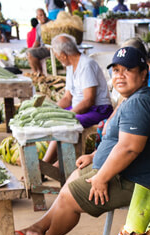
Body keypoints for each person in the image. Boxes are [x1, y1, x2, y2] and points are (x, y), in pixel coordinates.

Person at [15, 46, 150, 235]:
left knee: (70, 197)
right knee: (73, 179)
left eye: (128, 70)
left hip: (137, 180)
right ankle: (38, 229)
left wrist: (102, 178)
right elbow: (117, 141)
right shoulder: (134, 98)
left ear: (143, 74)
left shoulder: (139, 104)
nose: (120, 76)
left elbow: (129, 149)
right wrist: (94, 156)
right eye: (116, 70)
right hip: (124, 171)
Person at [41, 34, 114, 164]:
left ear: (63, 55)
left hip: (98, 110)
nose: (58, 59)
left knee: (65, 124)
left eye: (57, 56)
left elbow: (88, 100)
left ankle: (45, 165)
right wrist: (51, 110)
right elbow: (67, 98)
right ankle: (56, 163)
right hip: (82, 109)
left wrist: (69, 115)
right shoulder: (70, 66)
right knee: (54, 121)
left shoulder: (86, 65)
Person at [26, 9, 51, 74]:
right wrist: (31, 48)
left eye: (44, 14)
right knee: (29, 52)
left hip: (49, 48)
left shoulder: (51, 23)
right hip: (42, 48)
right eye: (41, 15)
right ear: (37, 17)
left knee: (32, 53)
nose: (43, 16)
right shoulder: (38, 26)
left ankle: (39, 72)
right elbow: (37, 41)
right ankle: (36, 73)